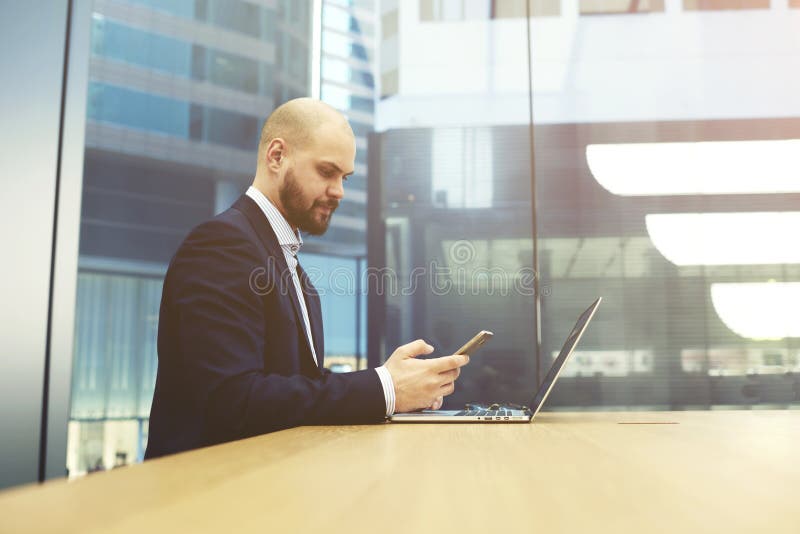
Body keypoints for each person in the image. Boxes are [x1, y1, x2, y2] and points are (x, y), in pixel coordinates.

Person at [145, 98, 470, 459]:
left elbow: (297, 394)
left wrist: (398, 389)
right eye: (327, 172)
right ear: (276, 156)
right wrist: (385, 387)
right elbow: (232, 401)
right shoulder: (222, 244)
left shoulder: (292, 270)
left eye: (344, 178)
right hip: (204, 496)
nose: (339, 191)